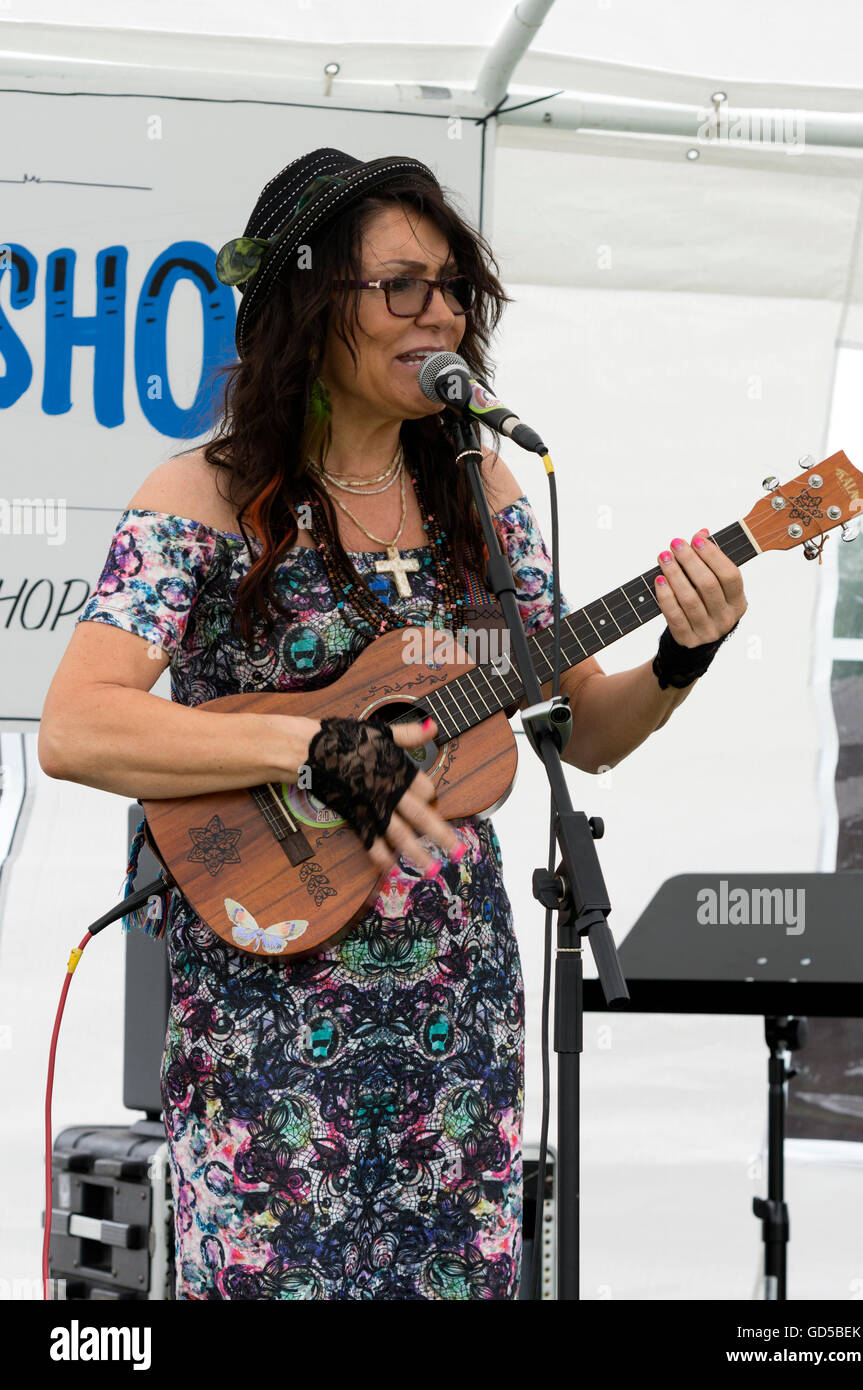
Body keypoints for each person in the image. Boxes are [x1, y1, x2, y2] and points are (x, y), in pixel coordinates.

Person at [38, 148, 747, 1300]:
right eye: (401, 286)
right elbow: (75, 728)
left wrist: (682, 651)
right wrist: (313, 746)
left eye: (454, 287)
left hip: (451, 1020)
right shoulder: (203, 498)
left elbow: (591, 727)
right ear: (308, 307)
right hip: (268, 1017)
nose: (441, 314)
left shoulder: (485, 500)